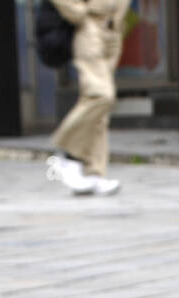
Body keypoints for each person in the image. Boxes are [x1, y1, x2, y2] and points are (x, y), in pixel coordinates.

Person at [47, 0, 127, 197]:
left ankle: (95, 173)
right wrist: (79, 14)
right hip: (90, 28)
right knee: (101, 95)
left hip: (113, 30)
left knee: (99, 110)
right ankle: (67, 151)